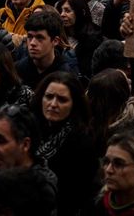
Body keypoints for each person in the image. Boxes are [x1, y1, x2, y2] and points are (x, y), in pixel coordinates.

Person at [32, 71, 98, 210]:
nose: (53, 104)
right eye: (49, 97)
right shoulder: (30, 129)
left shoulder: (82, 142)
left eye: (62, 99)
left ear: (74, 104)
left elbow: (77, 195)